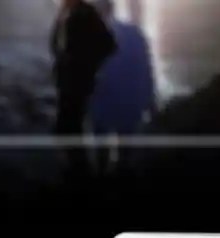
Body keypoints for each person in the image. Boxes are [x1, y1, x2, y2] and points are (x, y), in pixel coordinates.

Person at [50, 0, 116, 178]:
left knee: (69, 126)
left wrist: (86, 64)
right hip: (69, 82)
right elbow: (56, 45)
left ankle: (82, 171)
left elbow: (109, 45)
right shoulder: (66, 14)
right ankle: (80, 169)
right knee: (67, 127)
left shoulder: (86, 14)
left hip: (79, 81)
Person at [89, 0, 156, 170]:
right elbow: (146, 70)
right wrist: (150, 102)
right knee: (126, 156)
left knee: (101, 155)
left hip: (102, 106)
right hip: (129, 105)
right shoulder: (134, 34)